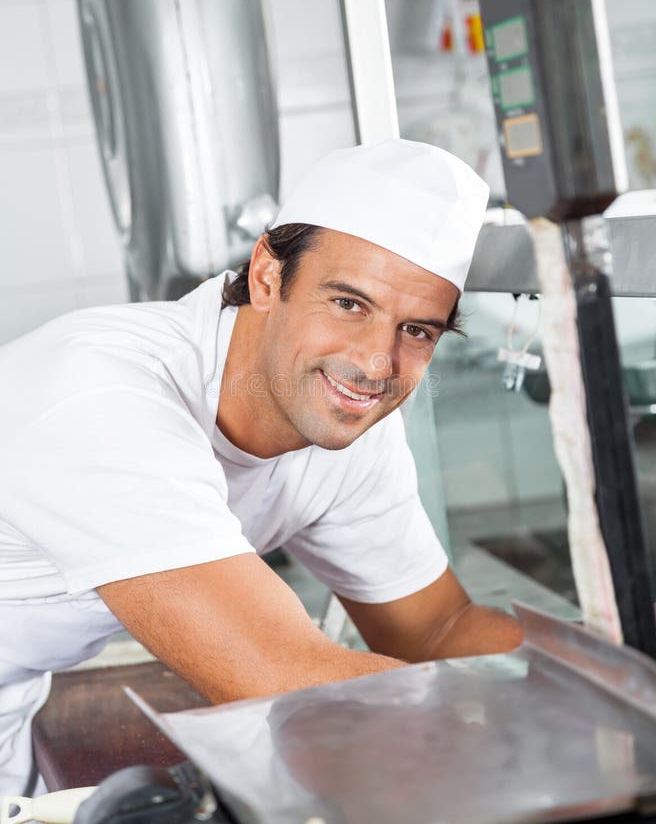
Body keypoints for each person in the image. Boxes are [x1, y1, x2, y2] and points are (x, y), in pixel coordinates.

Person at [0, 139, 521, 795]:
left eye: (417, 330)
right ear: (269, 276)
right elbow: (281, 675)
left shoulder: (344, 431)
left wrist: (615, 680)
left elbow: (437, 629)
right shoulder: (100, 395)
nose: (376, 363)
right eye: (348, 304)